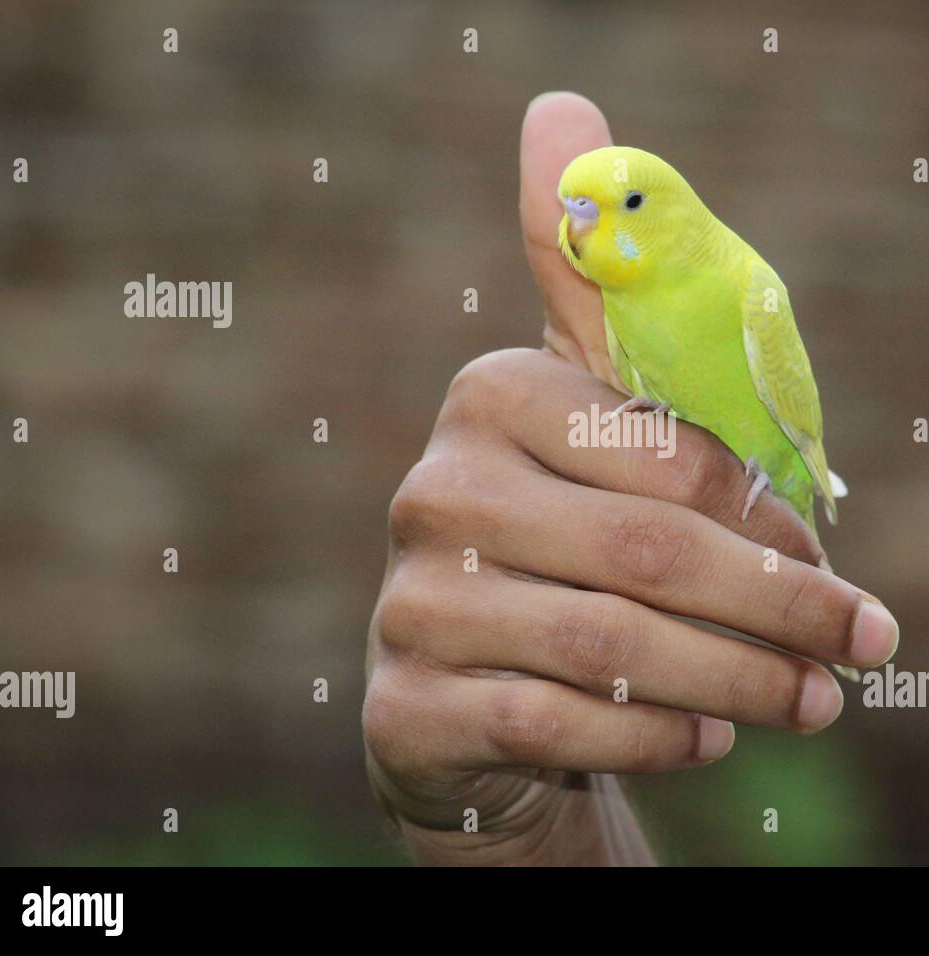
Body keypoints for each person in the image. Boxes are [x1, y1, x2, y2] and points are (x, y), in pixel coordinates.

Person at [361, 92, 900, 865]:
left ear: (672, 211)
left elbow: (796, 424)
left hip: (770, 461)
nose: (587, 224)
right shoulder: (622, 305)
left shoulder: (749, 289)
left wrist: (787, 478)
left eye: (627, 205)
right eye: (578, 208)